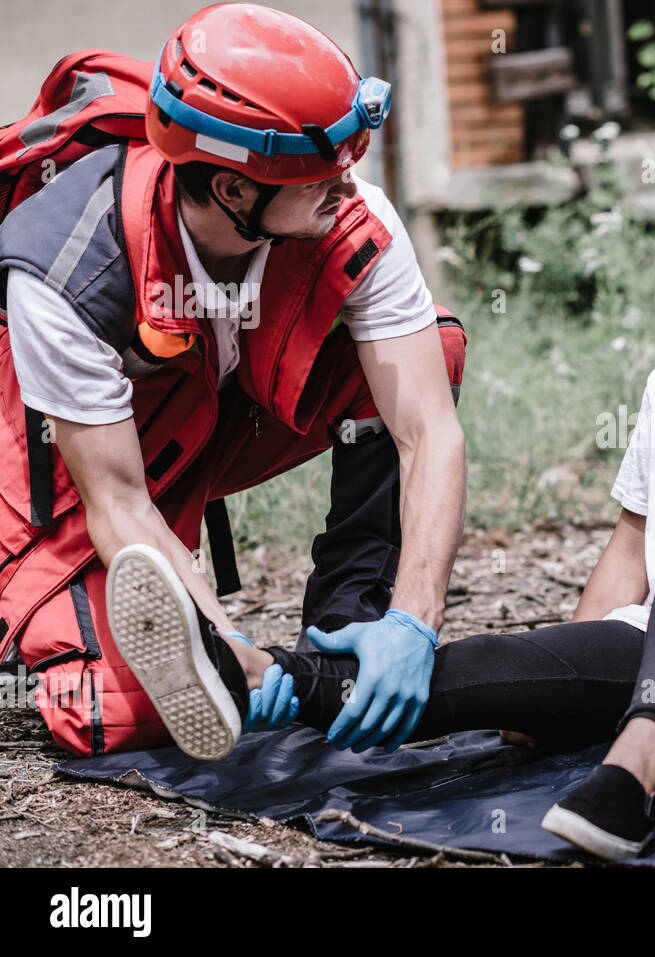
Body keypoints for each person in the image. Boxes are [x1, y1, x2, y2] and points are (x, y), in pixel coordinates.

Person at [110, 147, 655, 860]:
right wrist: (553, 677)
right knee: (483, 672)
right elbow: (629, 550)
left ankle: (635, 767)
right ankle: (262, 677)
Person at [0, 3, 467, 759]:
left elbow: (428, 431)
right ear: (232, 190)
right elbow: (117, 502)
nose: (347, 191)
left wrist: (415, 619)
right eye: (321, 177)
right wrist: (232, 646)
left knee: (433, 352)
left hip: (217, 418)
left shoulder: (346, 215)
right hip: (80, 459)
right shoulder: (64, 269)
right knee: (110, 714)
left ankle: (348, 621)